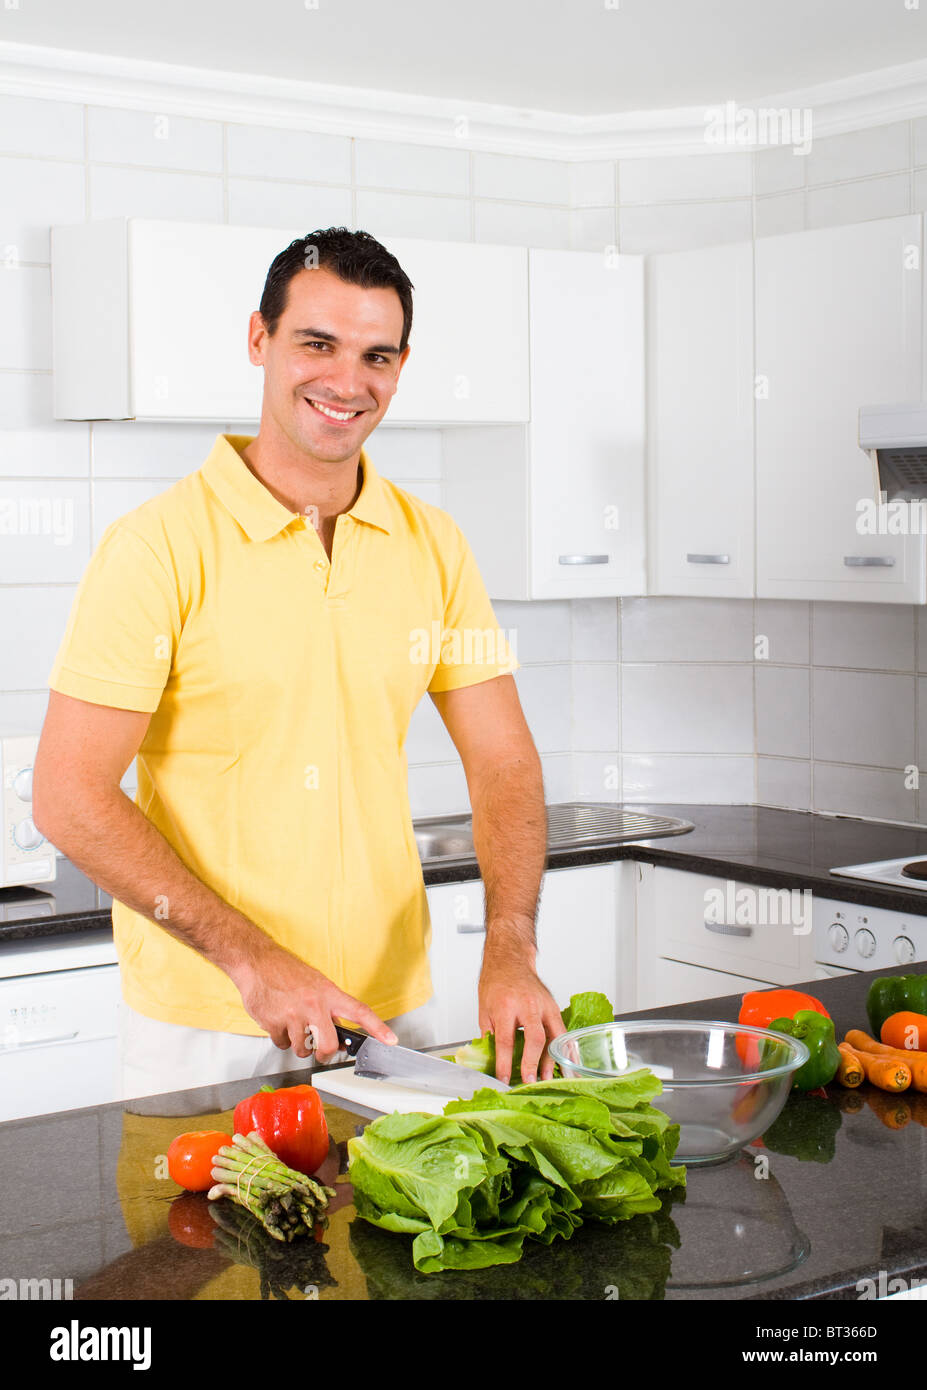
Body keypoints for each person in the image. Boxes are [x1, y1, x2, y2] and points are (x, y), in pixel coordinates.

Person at [32, 225, 564, 1099]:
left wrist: (510, 944)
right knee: (208, 1243)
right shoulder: (157, 548)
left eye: (376, 356)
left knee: (397, 1238)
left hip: (394, 1016)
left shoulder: (435, 546)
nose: (346, 382)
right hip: (212, 1023)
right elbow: (68, 794)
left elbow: (502, 756)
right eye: (317, 343)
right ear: (259, 340)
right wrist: (256, 963)